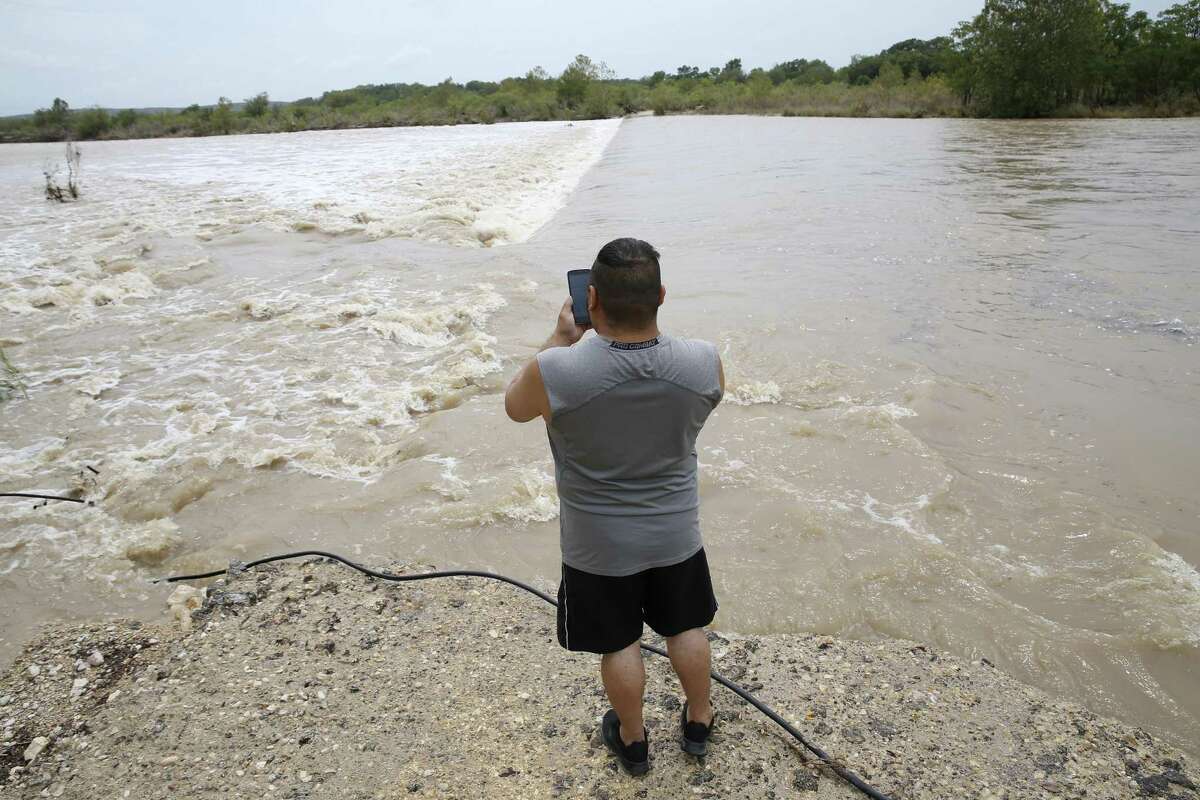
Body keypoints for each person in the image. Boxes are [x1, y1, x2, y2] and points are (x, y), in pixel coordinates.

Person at [504, 237, 725, 776]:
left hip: (598, 545)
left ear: (591, 299)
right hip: (675, 533)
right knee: (686, 628)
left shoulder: (558, 371)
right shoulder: (702, 362)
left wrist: (561, 337)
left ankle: (633, 739)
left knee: (621, 643)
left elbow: (515, 408)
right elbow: (705, 402)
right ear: (662, 296)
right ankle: (699, 720)